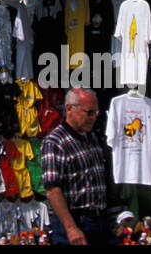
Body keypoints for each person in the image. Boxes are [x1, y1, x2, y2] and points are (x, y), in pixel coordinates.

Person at [41, 86, 111, 245]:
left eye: (96, 113)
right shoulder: (55, 142)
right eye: (89, 112)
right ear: (69, 109)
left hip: (99, 221)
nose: (93, 118)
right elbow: (53, 189)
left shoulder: (92, 138)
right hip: (75, 222)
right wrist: (71, 228)